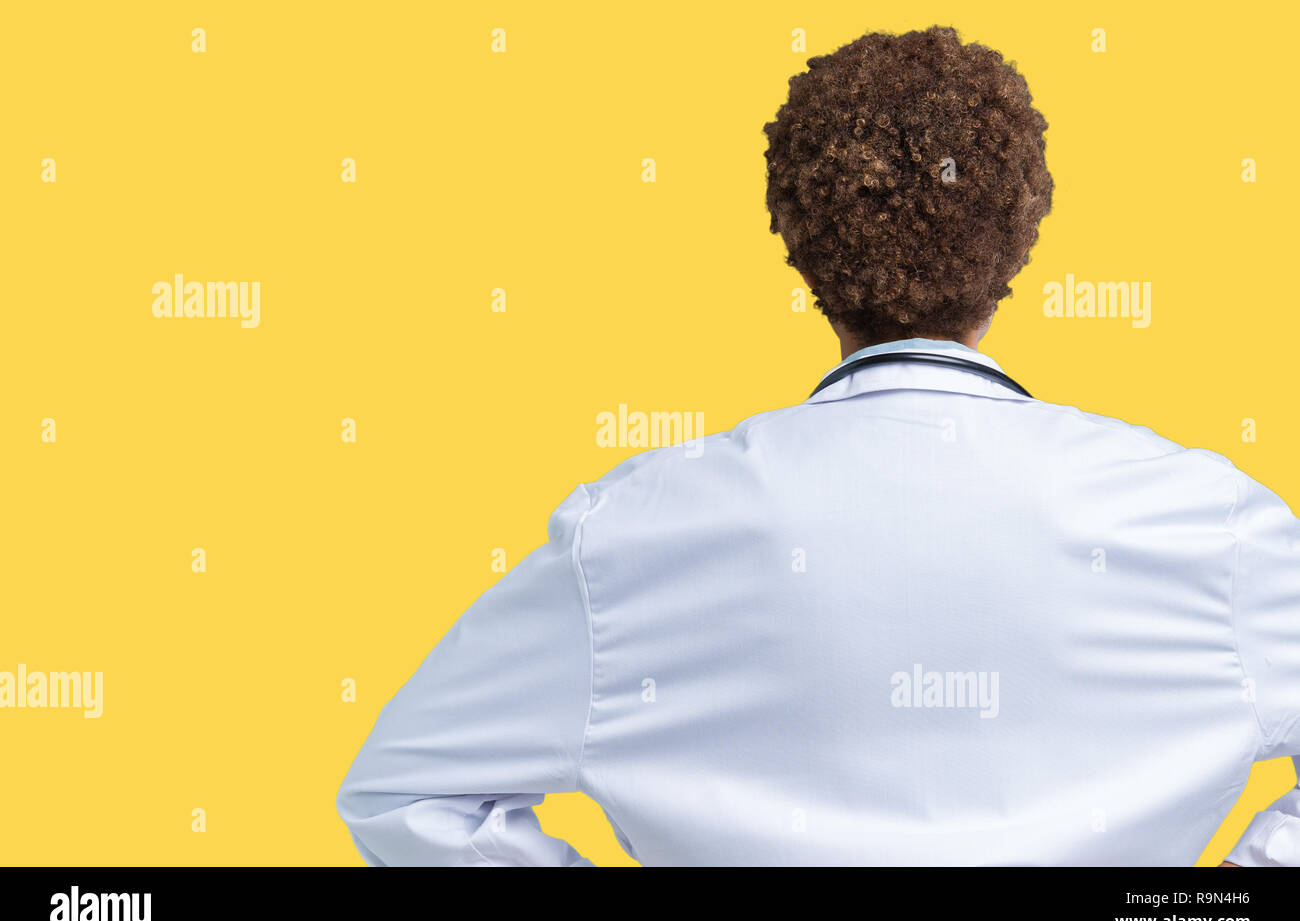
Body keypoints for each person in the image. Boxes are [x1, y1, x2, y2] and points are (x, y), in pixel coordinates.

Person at [336, 25, 1300, 866]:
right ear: (1018, 238)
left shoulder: (631, 532)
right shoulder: (1211, 525)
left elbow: (406, 796)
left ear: (800, 243)